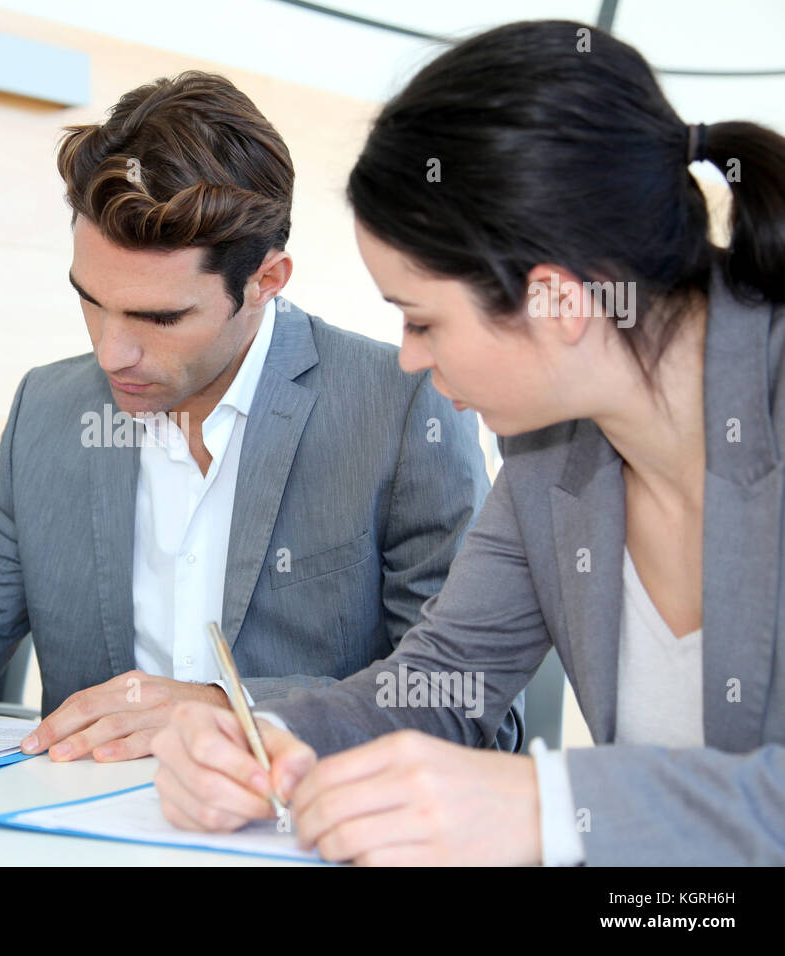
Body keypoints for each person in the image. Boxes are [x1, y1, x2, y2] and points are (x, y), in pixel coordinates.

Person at [151, 19, 785, 865]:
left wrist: (551, 806)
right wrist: (257, 735)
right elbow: (444, 679)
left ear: (557, 300)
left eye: (421, 320)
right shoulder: (551, 453)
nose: (411, 359)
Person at [0, 71, 518, 760]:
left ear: (266, 281)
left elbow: (461, 695)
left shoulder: (401, 404)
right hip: (75, 831)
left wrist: (230, 708)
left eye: (158, 318)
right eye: (91, 302)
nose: (111, 352)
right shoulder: (47, 408)